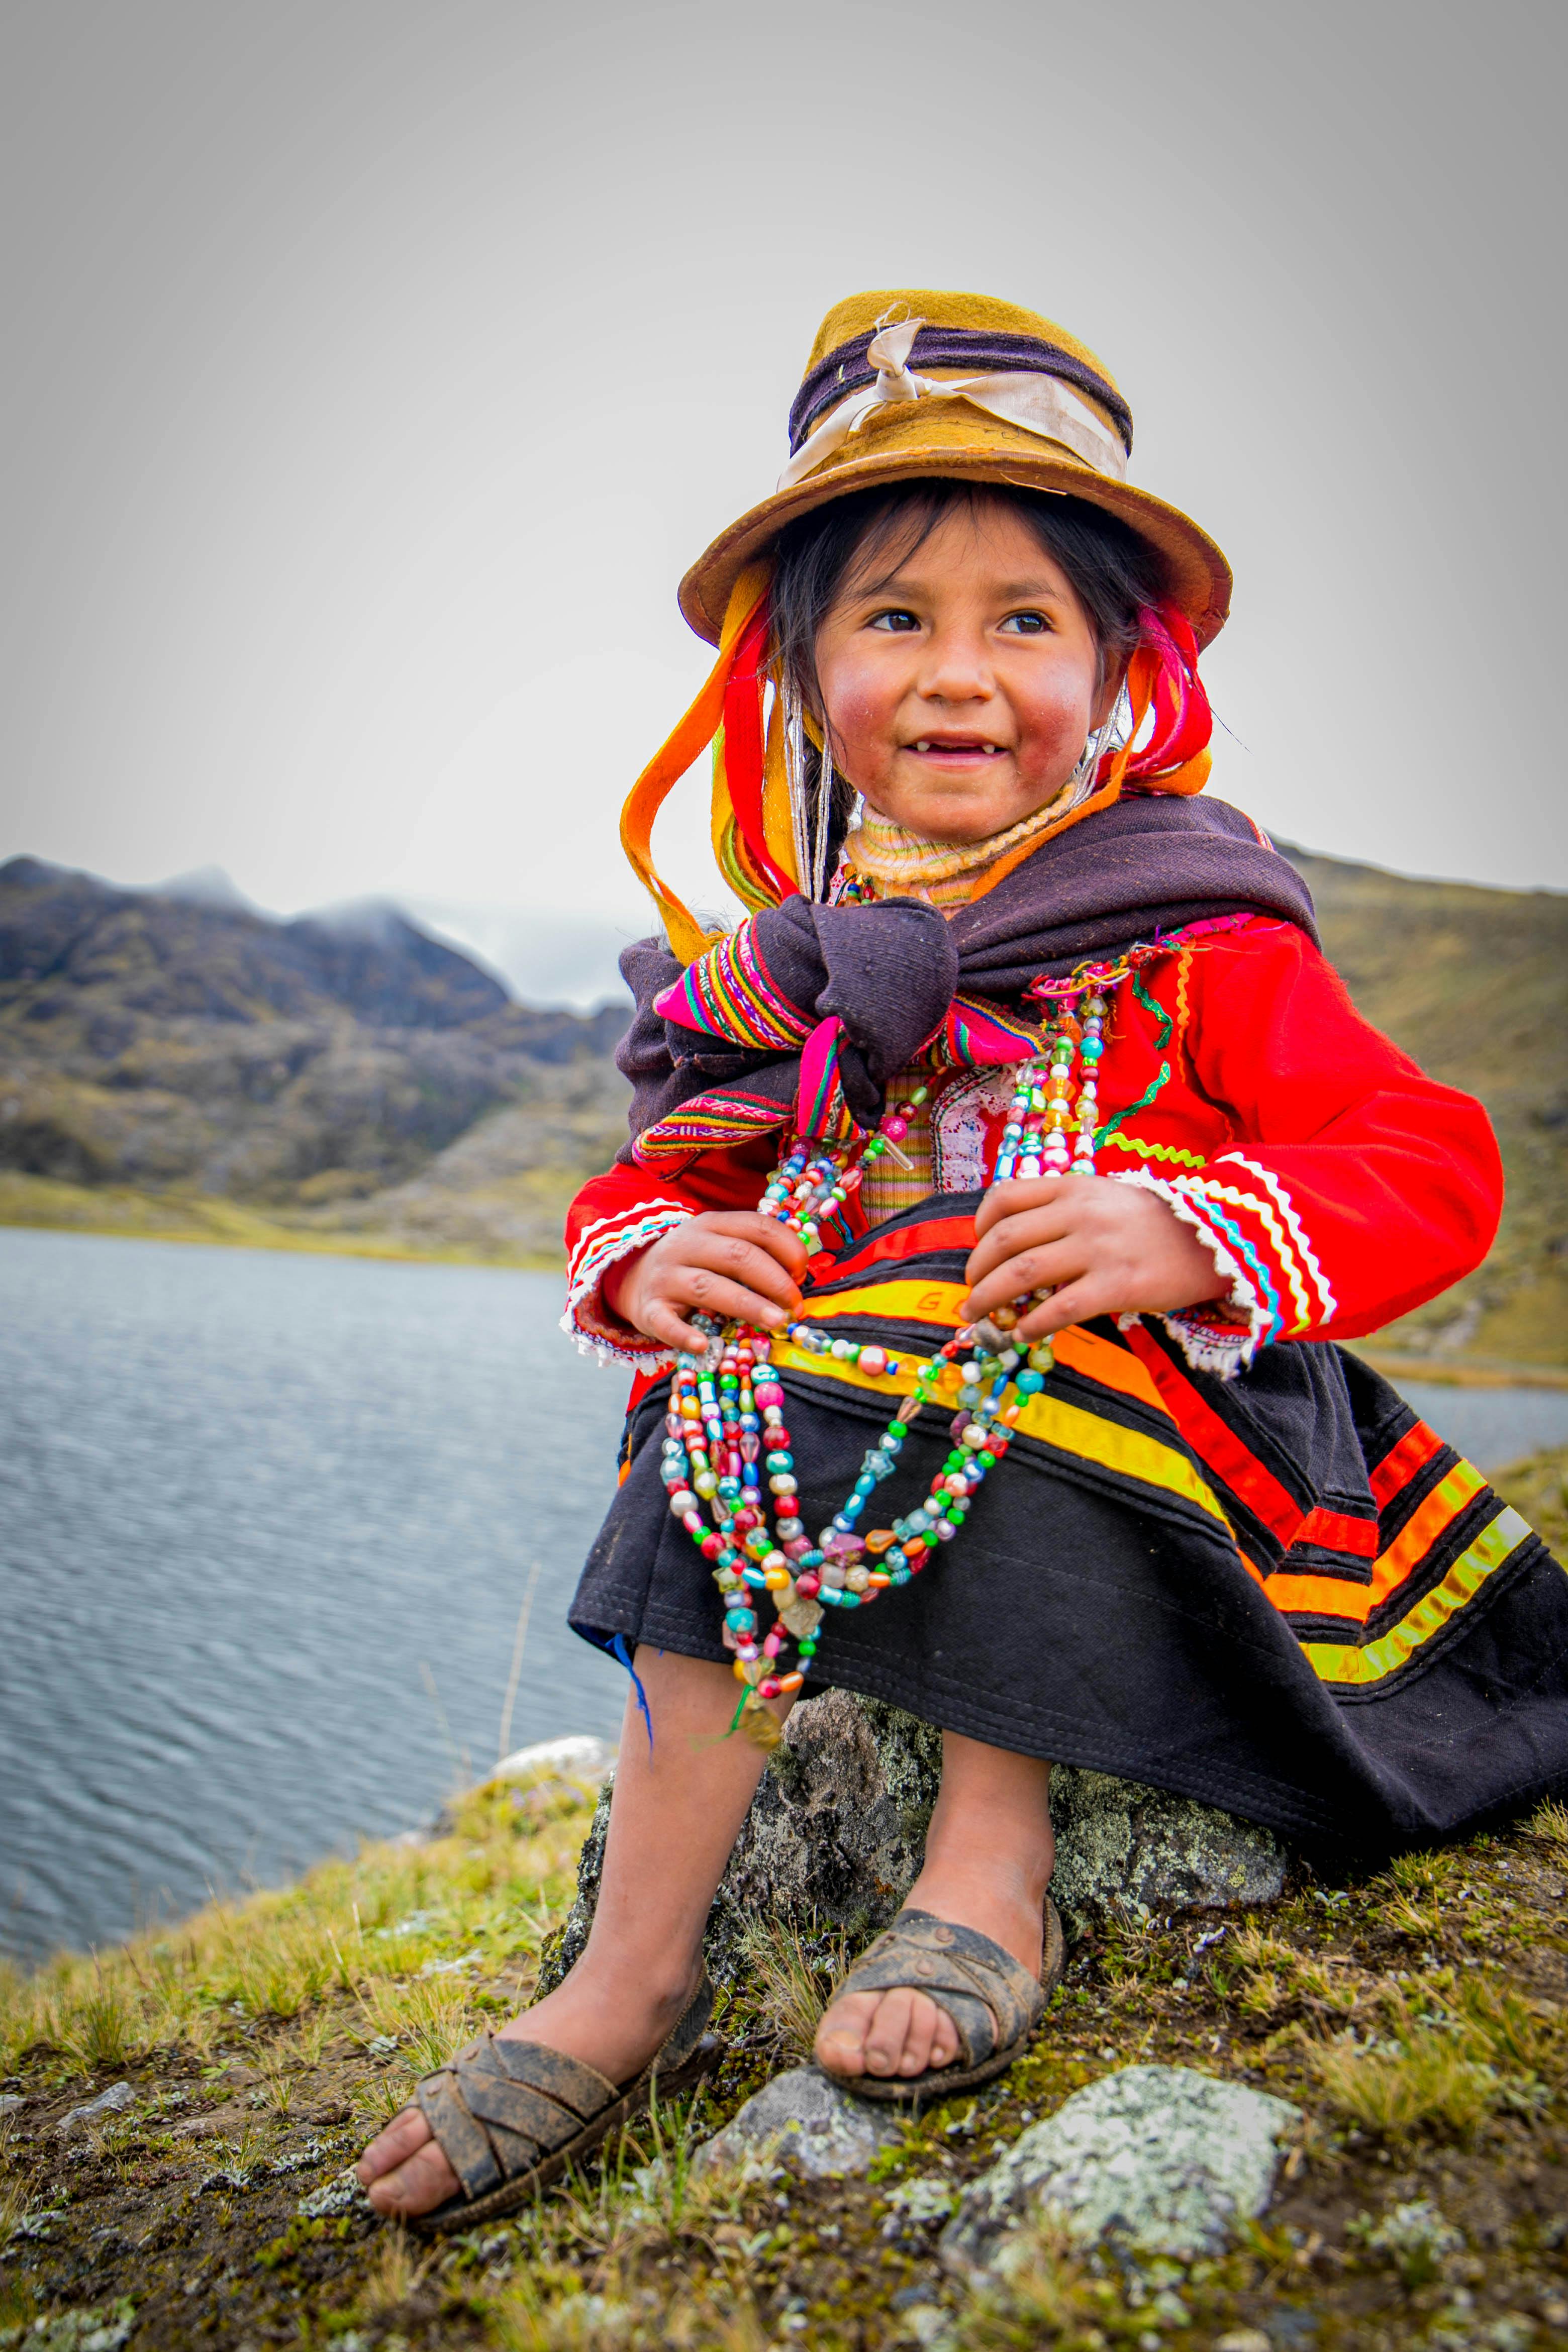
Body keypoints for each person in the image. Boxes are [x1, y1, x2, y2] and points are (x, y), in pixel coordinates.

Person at [359, 289, 1567, 2231]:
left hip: (1169, 1430)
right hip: (868, 1424)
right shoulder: (801, 973)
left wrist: (1182, 1231)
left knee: (983, 1273)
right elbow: (652, 1179)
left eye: (1025, 623)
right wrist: (655, 1263)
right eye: (894, 619)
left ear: (1118, 665)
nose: (958, 676)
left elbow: (1430, 1157)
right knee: (721, 1366)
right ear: (798, 669)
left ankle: (989, 1862)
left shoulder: (1198, 934)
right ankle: (632, 1971)